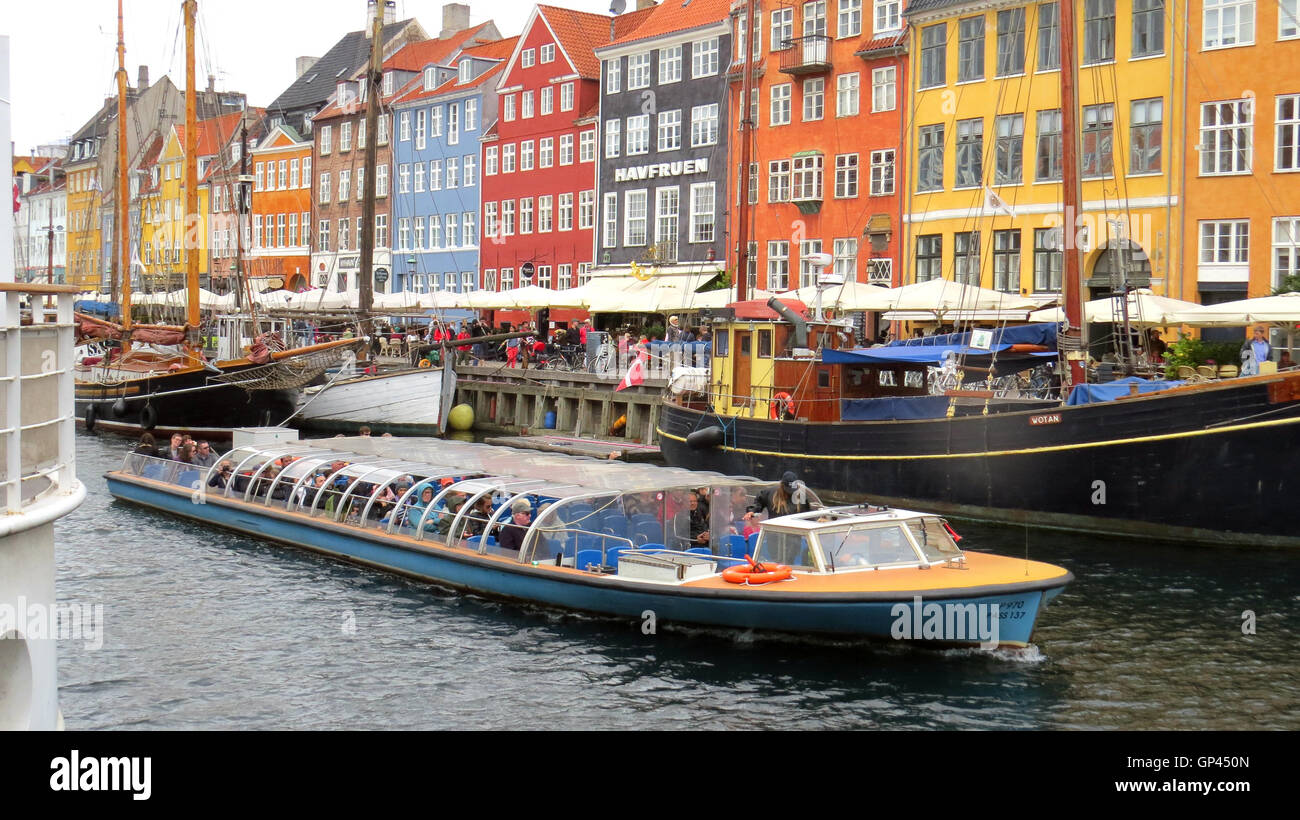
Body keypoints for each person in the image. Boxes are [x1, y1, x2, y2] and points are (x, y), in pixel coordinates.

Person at [747, 471, 813, 521]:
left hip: (794, 534)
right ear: (782, 485)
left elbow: (808, 515)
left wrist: (817, 521)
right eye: (787, 489)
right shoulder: (770, 493)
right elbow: (759, 502)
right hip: (774, 533)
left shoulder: (801, 497)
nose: (790, 492)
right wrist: (752, 511)